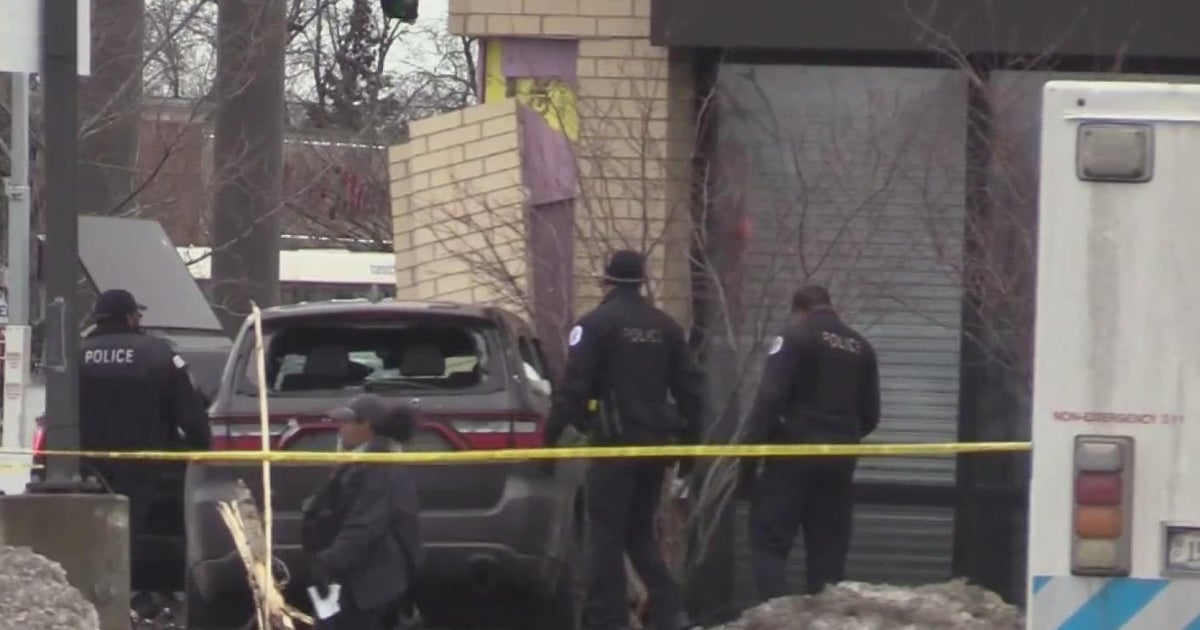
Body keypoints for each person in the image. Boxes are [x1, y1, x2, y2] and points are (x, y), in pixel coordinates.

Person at [544, 249, 705, 630]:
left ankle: (607, 619)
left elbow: (573, 390)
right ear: (642, 281)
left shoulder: (596, 325)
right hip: (654, 448)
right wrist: (689, 450)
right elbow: (692, 392)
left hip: (614, 447)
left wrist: (548, 441)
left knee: (604, 536)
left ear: (608, 281)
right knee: (639, 533)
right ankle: (672, 612)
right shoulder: (666, 327)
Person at [739, 285, 881, 602]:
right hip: (840, 459)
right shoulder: (861, 346)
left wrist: (748, 464)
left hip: (794, 454)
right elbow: (871, 414)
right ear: (831, 306)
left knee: (769, 542)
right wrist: (843, 436)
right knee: (828, 550)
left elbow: (769, 400)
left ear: (799, 310)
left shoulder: (796, 337)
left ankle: (778, 619)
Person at [77, 288, 211, 617]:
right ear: (128, 317)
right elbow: (190, 414)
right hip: (150, 470)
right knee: (145, 543)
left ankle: (98, 602)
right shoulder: (159, 353)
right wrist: (201, 448)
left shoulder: (75, 354)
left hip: (87, 471)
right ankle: (145, 605)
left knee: (94, 541)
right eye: (137, 314)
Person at [301, 394, 422, 630]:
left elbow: (365, 527)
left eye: (347, 423)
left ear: (367, 426)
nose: (340, 429)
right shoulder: (356, 463)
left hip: (369, 587)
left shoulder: (380, 469)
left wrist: (327, 563)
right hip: (354, 582)